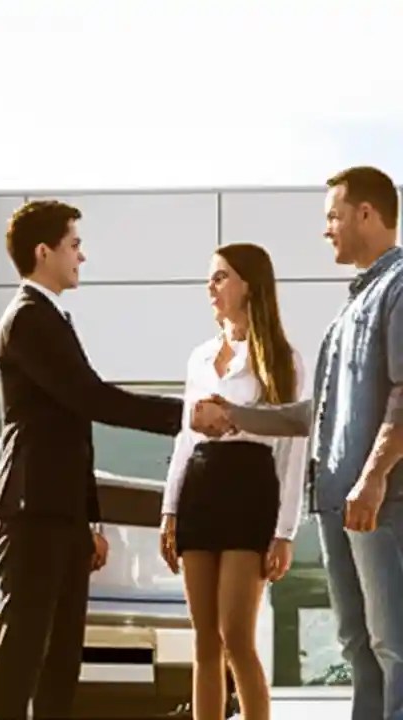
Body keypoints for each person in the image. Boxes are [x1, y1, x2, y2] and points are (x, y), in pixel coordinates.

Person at [193, 166, 403, 720]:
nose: (326, 229)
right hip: (341, 507)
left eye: (333, 216)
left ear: (367, 213)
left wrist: (374, 476)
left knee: (394, 647)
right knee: (360, 648)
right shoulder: (348, 312)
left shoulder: (399, 289)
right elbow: (318, 414)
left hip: (381, 506)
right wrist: (235, 414)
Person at [0, 199, 184, 720]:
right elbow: (90, 398)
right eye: (74, 245)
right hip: (32, 508)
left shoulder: (50, 317)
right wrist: (185, 416)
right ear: (43, 251)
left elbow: (73, 427)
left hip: (60, 511)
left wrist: (87, 519)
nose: (82, 256)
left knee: (62, 657)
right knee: (22, 648)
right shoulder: (28, 318)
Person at [160, 243, 307, 720]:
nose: (211, 286)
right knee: (203, 638)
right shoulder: (199, 358)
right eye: (211, 277)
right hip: (200, 489)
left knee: (235, 637)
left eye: (221, 276)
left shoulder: (283, 360)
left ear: (249, 285)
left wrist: (284, 532)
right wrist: (169, 511)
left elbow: (292, 450)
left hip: (251, 493)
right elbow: (185, 439)